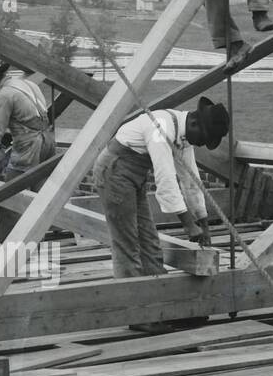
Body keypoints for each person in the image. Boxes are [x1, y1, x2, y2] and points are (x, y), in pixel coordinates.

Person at [92, 98, 229, 280]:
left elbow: (190, 180)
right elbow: (166, 179)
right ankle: (131, 294)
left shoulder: (185, 136)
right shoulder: (162, 127)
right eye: (203, 139)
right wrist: (188, 224)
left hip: (134, 176)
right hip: (115, 171)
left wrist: (203, 223)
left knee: (149, 240)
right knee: (127, 242)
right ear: (194, 123)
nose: (201, 144)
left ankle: (157, 286)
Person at [0, 56, 56, 184]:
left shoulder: (4, 95)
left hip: (28, 147)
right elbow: (32, 115)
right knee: (40, 190)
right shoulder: (29, 84)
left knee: (11, 191)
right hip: (48, 141)